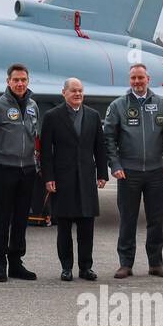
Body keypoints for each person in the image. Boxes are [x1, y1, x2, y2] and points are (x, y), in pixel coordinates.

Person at [102, 63, 163, 279]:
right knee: (128, 220)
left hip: (156, 172)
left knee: (156, 221)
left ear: (148, 79)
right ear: (130, 81)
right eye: (133, 78)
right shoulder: (118, 106)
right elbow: (108, 139)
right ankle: (125, 264)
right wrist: (115, 165)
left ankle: (156, 264)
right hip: (128, 173)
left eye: (141, 78)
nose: (137, 82)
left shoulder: (162, 105)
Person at [39, 78, 108, 281]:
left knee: (87, 228)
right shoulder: (52, 116)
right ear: (64, 93)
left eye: (80, 91)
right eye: (73, 91)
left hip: (86, 178)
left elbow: (99, 147)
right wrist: (48, 177)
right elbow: (45, 151)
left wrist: (102, 173)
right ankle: (66, 267)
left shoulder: (93, 116)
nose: (77, 94)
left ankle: (86, 267)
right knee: (64, 228)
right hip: (62, 179)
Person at [0, 64, 41, 282]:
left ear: (28, 81)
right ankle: (0, 262)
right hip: (5, 169)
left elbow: (34, 135)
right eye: (16, 80)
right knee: (3, 217)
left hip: (27, 170)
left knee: (22, 218)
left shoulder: (33, 106)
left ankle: (16, 262)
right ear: (8, 81)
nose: (20, 83)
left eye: (23, 79)